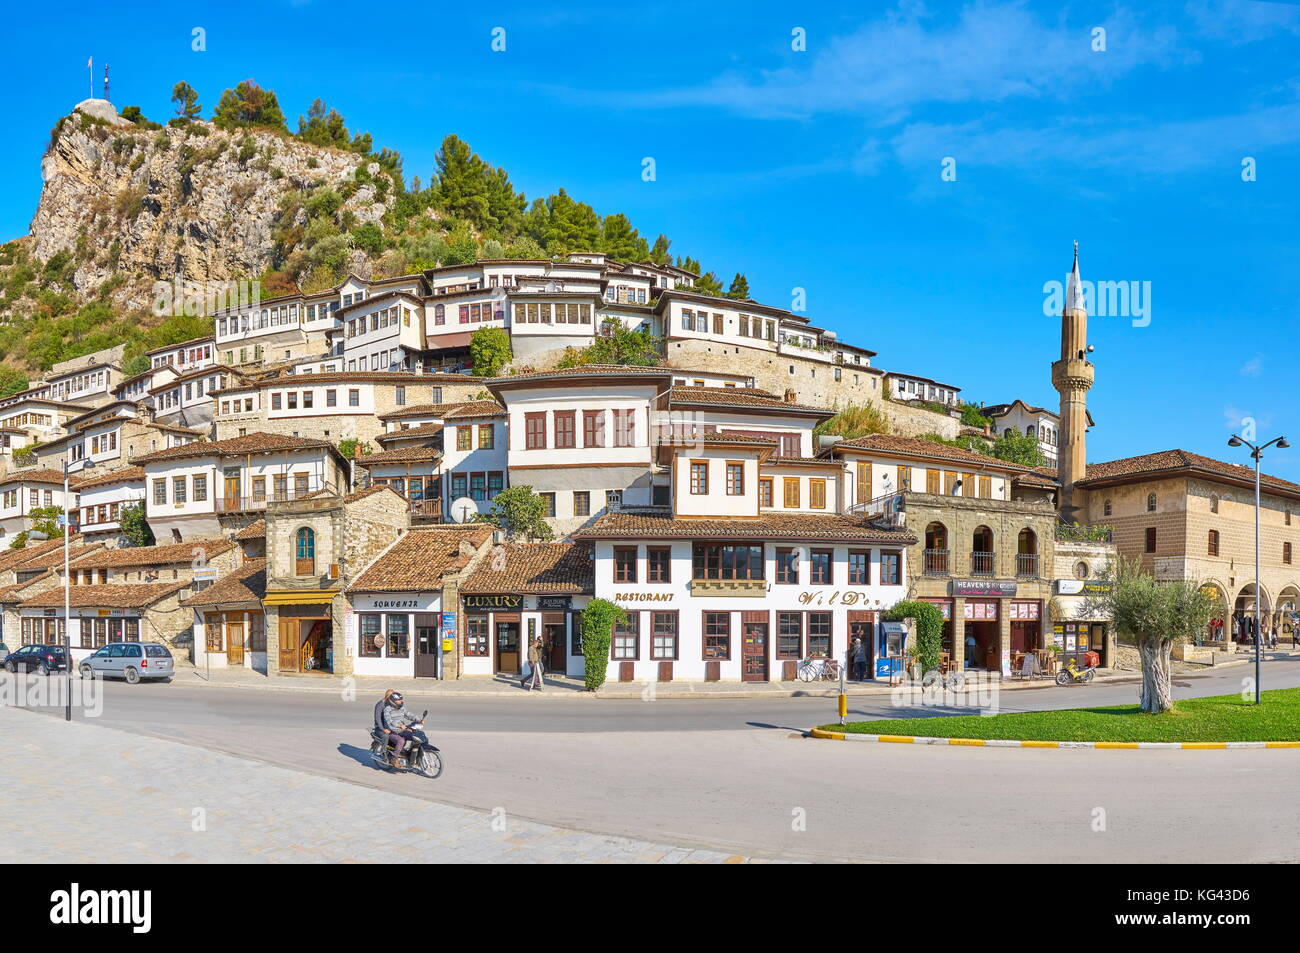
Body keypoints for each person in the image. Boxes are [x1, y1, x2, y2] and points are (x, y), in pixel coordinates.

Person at [381, 690, 420, 767]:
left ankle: (413, 758)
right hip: (392, 731)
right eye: (399, 700)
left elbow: (409, 715)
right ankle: (394, 759)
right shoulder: (387, 710)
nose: (401, 701)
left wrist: (419, 720)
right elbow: (389, 721)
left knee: (415, 737)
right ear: (393, 701)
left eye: (401, 699)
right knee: (401, 741)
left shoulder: (402, 708)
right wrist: (398, 726)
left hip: (401, 730)